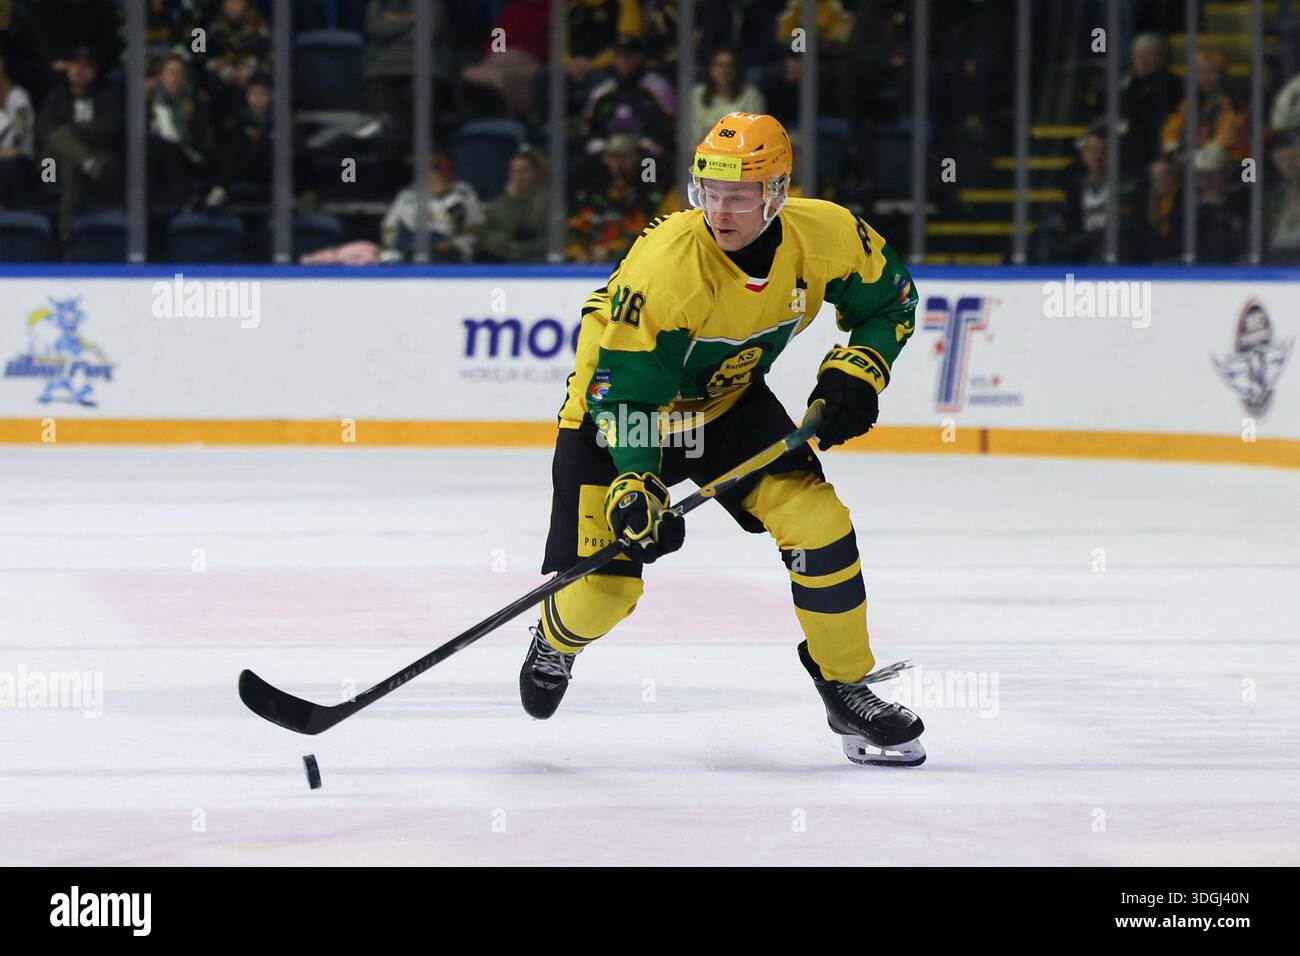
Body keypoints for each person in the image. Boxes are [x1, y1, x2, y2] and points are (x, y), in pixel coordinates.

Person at [520, 111, 926, 767]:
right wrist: (634, 484)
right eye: (711, 191)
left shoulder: (824, 236)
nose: (722, 209)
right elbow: (624, 392)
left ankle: (845, 684)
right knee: (607, 591)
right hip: (615, 416)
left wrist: (859, 371)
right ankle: (555, 639)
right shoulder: (666, 270)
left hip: (727, 408)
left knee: (819, 524)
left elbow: (893, 299)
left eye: (740, 194)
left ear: (777, 192)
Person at [36, 46, 123, 240]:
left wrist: (74, 131)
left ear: (94, 71)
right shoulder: (56, 98)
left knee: (71, 162)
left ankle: (66, 236)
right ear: (67, 68)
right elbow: (44, 133)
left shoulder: (106, 96)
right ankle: (90, 163)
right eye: (75, 65)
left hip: (91, 164)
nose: (79, 71)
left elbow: (110, 128)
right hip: (49, 168)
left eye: (86, 66)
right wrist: (76, 136)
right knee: (59, 136)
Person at [566, 133, 672, 264]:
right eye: (614, 157)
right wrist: (581, 251)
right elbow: (578, 224)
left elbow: (655, 229)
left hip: (638, 259)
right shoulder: (594, 187)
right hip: (593, 259)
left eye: (625, 157)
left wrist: (612, 249)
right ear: (605, 158)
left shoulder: (650, 189)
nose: (619, 163)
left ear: (637, 157)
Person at [380, 152, 483, 262]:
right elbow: (388, 228)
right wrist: (403, 243)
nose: (431, 180)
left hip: (450, 252)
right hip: (412, 249)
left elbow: (475, 229)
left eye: (436, 175)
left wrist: (455, 244)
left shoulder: (463, 194)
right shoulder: (408, 196)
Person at [476, 149, 549, 262]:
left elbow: (553, 239)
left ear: (536, 172)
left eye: (524, 170)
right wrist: (506, 244)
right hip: (502, 261)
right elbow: (485, 237)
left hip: (537, 264)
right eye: (514, 171)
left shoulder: (547, 202)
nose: (518, 176)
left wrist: (522, 247)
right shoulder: (501, 203)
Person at [690, 47, 766, 146]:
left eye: (730, 65)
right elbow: (691, 135)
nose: (725, 70)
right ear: (711, 69)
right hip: (701, 155)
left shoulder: (752, 96)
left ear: (737, 69)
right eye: (720, 65)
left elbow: (754, 136)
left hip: (738, 156)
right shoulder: (697, 94)